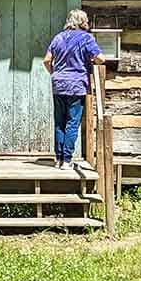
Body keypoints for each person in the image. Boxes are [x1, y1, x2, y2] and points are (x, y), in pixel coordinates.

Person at [43, 9, 105, 170]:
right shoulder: (86, 38)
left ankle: (58, 159)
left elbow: (47, 60)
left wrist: (55, 73)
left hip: (59, 84)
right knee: (72, 122)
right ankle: (67, 160)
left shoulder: (58, 37)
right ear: (82, 21)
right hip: (77, 85)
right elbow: (100, 58)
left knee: (59, 123)